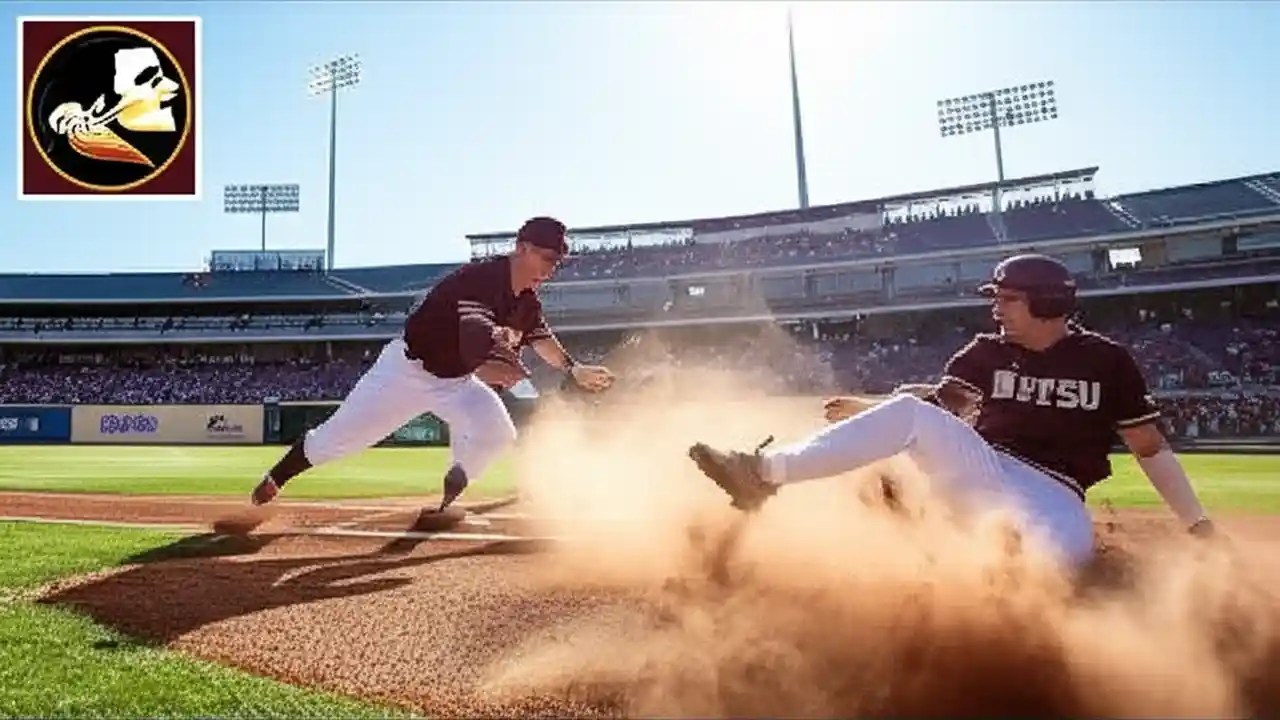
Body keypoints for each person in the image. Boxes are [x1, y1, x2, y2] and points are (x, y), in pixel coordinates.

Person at [687, 253, 1215, 570]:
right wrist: (875, 409)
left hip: (1056, 493)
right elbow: (940, 411)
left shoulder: (1107, 361)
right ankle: (763, 473)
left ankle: (964, 567)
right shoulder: (983, 352)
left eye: (1007, 298)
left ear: (1050, 304)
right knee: (910, 417)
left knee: (1052, 565)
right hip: (983, 465)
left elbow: (1150, 447)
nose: (996, 307)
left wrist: (1198, 525)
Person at [249, 216, 614, 520]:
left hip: (455, 382)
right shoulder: (479, 279)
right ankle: (276, 477)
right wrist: (489, 361)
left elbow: (540, 337)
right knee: (339, 439)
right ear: (522, 248)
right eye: (548, 258)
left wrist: (572, 368)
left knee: (498, 432)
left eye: (557, 262)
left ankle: (450, 493)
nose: (552, 269)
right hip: (404, 373)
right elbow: (473, 330)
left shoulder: (527, 302)